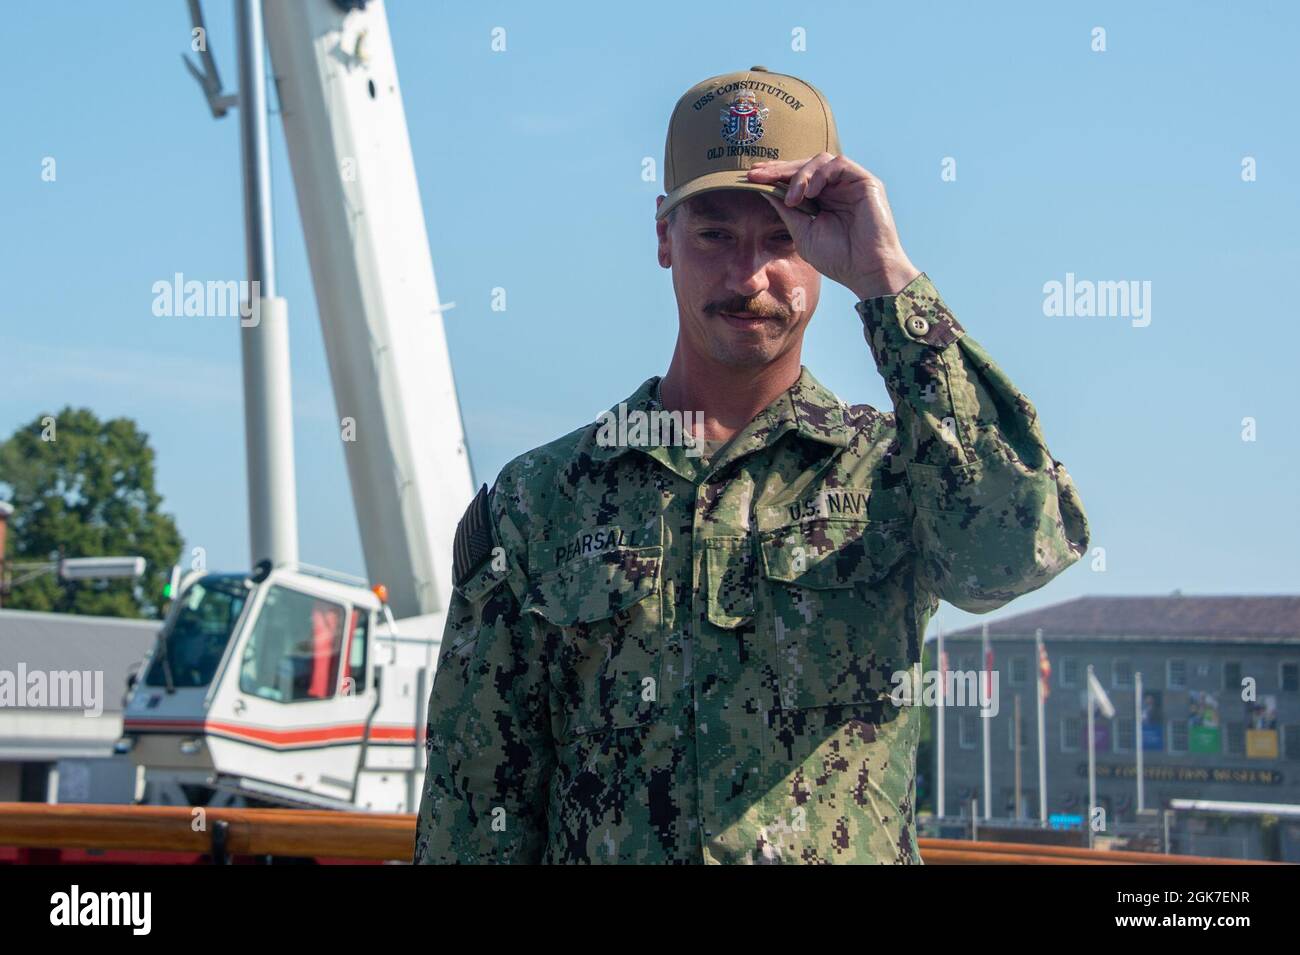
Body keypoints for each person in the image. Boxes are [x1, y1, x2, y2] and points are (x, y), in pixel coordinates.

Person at [414, 67, 1088, 864]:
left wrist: (888, 281)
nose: (749, 278)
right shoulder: (540, 501)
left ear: (822, 251)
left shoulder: (891, 475)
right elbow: (477, 797)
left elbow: (1014, 553)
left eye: (782, 239)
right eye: (715, 236)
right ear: (663, 236)